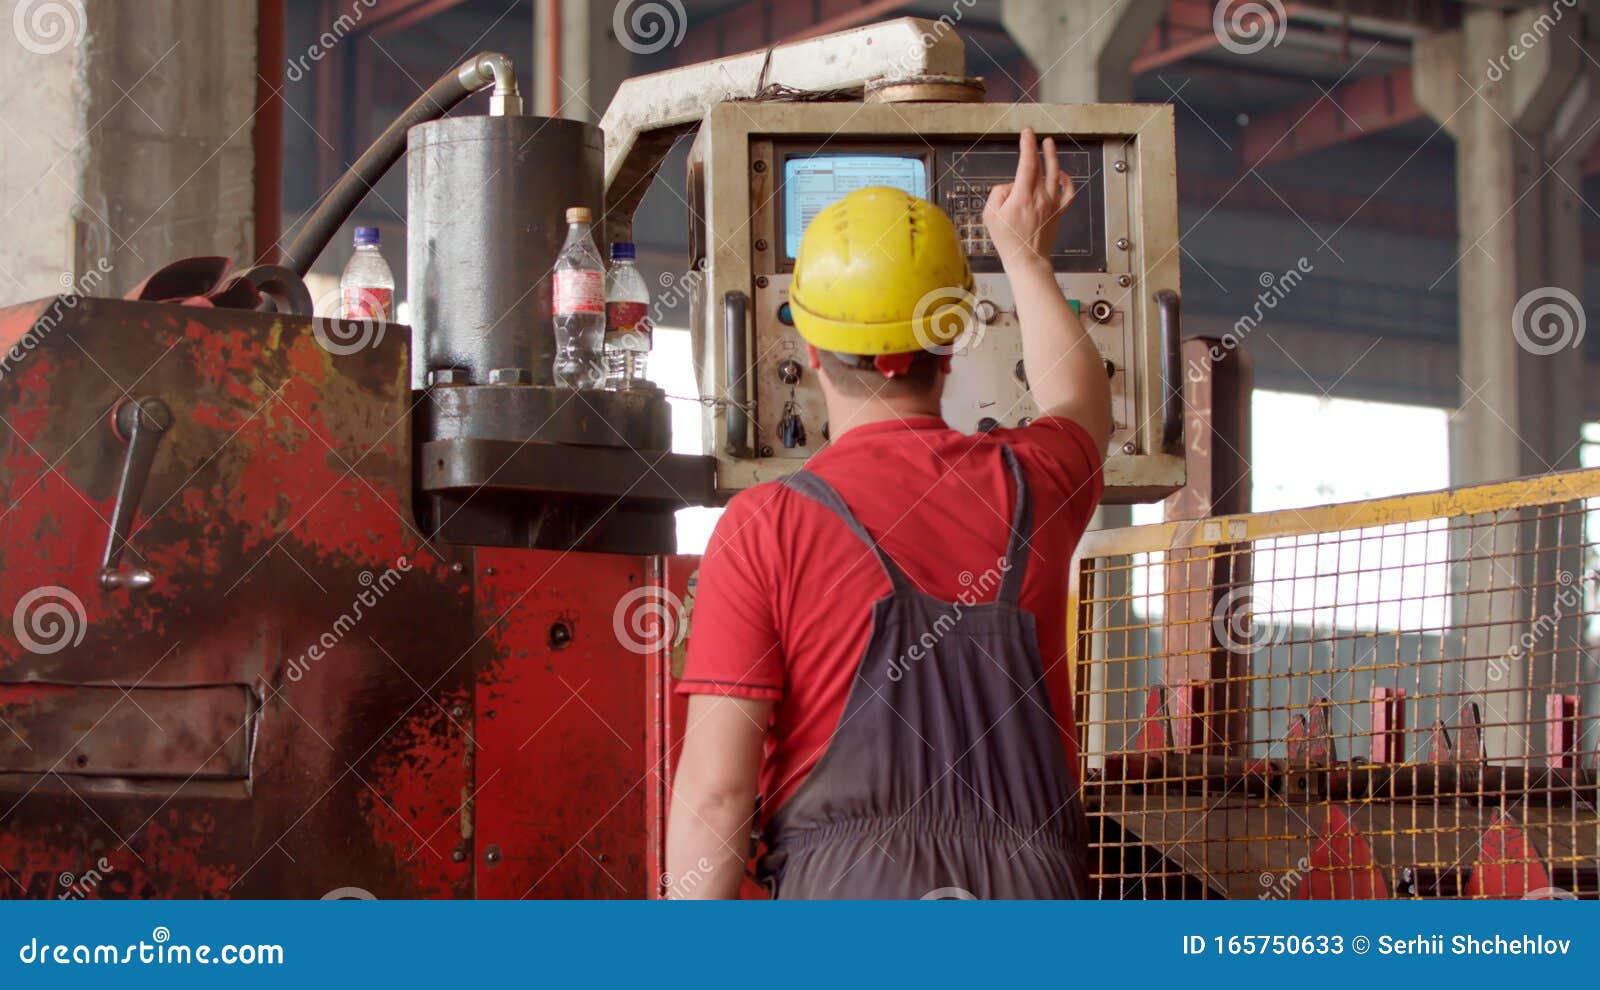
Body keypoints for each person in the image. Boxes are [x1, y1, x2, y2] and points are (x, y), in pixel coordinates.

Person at [665, 128, 1111, 899]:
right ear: (951, 343)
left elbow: (717, 795)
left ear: (808, 345)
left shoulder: (767, 524)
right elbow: (1081, 402)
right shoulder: (1033, 480)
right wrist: (1025, 254)